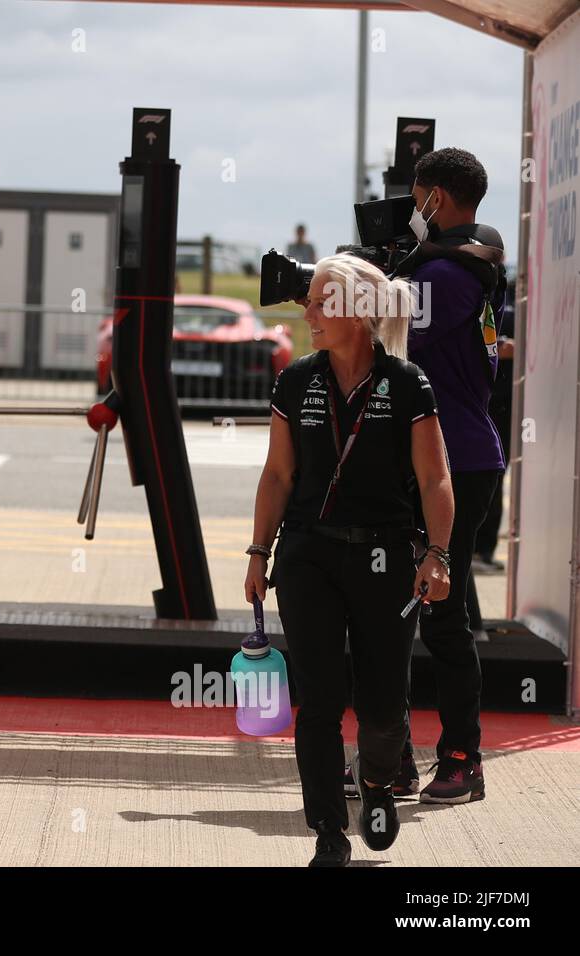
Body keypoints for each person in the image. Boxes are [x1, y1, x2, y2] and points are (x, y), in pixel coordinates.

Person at [245, 253, 453, 866]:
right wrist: (259, 553)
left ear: (357, 311)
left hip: (385, 556)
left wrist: (436, 554)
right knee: (318, 700)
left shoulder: (407, 383)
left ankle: (379, 782)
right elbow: (278, 475)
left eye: (318, 301)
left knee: (384, 704)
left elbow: (435, 478)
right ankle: (329, 833)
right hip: (307, 555)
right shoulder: (295, 380)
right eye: (307, 300)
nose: (307, 312)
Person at [379, 147, 506, 805]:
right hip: (427, 459)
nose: (411, 210)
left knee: (442, 616)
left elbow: (383, 330)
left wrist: (353, 283)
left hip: (458, 462)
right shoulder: (454, 261)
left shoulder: (455, 273)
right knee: (390, 614)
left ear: (436, 198)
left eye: (417, 197)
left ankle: (462, 758)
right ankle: (392, 759)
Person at [473, 276, 515, 573]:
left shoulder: (511, 307)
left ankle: (483, 549)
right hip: (483, 402)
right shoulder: (470, 298)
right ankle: (478, 548)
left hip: (503, 404)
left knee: (495, 476)